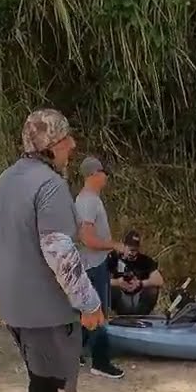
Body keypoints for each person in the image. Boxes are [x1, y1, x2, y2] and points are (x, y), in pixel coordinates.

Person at [0, 108, 102, 392]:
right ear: (50, 146)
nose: (72, 145)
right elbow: (62, 254)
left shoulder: (6, 180)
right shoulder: (50, 187)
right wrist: (89, 303)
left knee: (40, 374)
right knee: (44, 378)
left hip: (12, 298)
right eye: (65, 140)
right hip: (41, 303)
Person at [74, 156, 127, 379]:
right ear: (94, 174)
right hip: (92, 265)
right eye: (104, 172)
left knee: (87, 309)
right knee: (98, 312)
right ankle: (101, 362)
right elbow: (87, 238)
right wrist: (114, 245)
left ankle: (73, 351)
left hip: (94, 263)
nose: (106, 176)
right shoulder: (88, 201)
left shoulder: (90, 199)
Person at [109, 230, 166, 315]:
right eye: (129, 248)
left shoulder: (145, 261)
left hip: (138, 299)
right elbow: (100, 279)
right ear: (124, 246)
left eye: (135, 249)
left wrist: (140, 283)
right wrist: (118, 282)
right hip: (121, 298)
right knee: (108, 288)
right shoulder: (114, 259)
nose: (132, 252)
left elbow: (159, 280)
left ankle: (141, 315)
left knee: (152, 290)